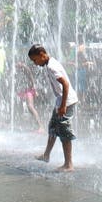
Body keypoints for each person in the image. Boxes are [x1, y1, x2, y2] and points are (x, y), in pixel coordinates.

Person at [28, 43, 78, 172]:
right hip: (61, 101)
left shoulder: (51, 67)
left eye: (35, 60)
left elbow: (65, 85)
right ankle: (46, 155)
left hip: (66, 102)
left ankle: (68, 165)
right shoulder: (51, 62)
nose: (35, 63)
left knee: (64, 132)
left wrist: (62, 106)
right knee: (52, 127)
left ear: (42, 55)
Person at [16, 60, 44, 132]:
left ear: (21, 62)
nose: (16, 65)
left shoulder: (25, 68)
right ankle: (33, 125)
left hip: (29, 90)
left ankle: (40, 126)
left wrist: (34, 88)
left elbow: (31, 77)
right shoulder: (20, 69)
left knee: (30, 107)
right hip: (24, 89)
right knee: (20, 106)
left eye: (17, 63)